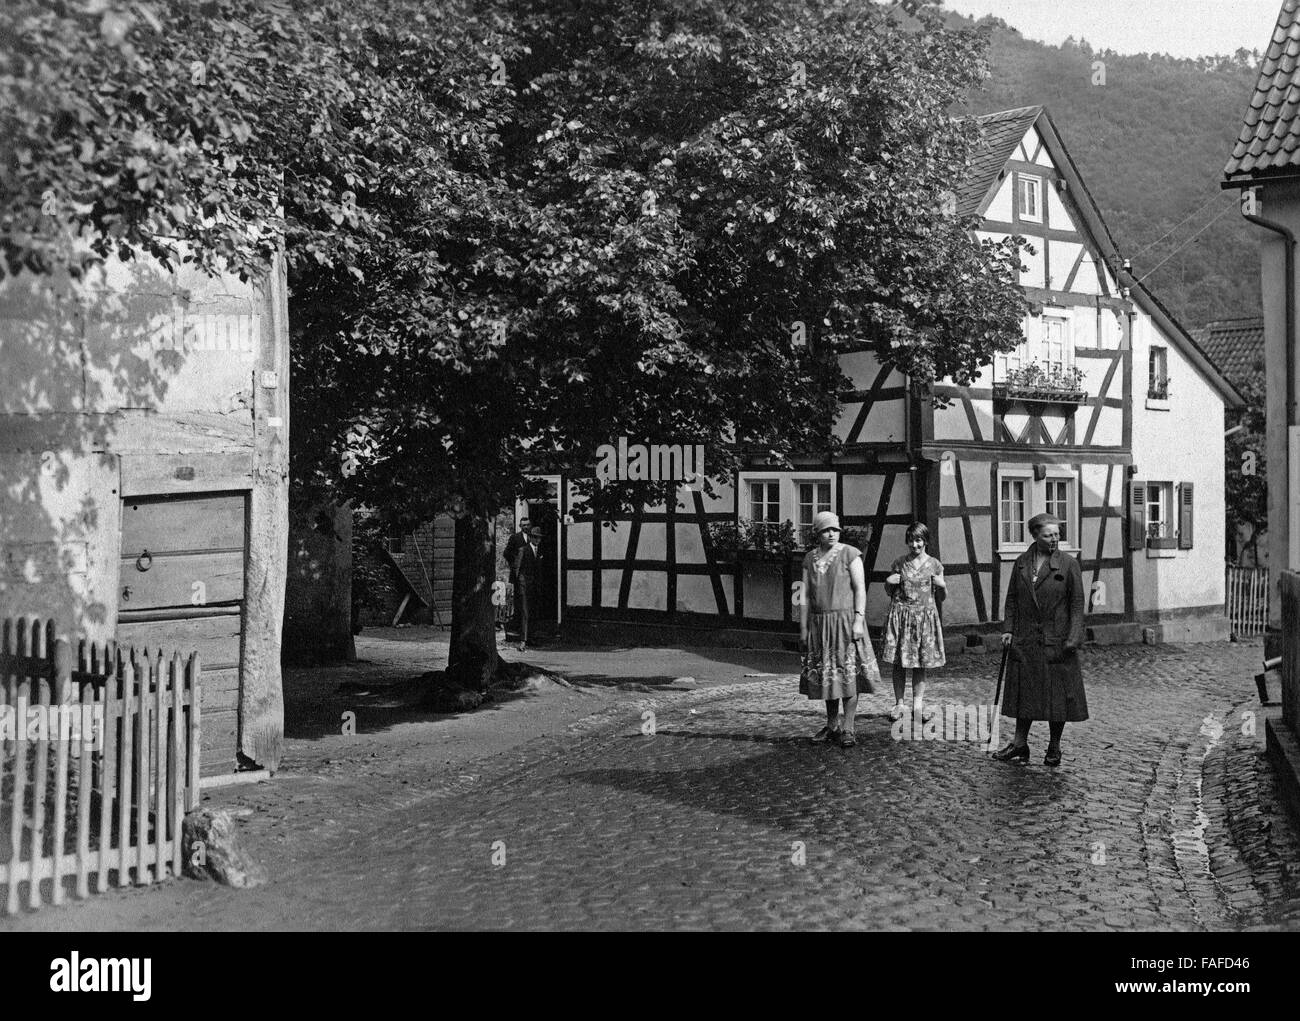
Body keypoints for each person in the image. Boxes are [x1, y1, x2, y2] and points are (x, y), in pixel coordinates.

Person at [994, 512, 1089, 766]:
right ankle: (1019, 744)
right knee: (1024, 693)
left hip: (1057, 640)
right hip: (1026, 639)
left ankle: (1054, 747)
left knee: (1057, 697)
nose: (1055, 539)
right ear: (1035, 535)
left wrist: (1073, 638)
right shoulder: (1022, 562)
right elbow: (1012, 598)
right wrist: (1008, 629)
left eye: (1058, 534)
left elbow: (1077, 605)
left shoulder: (1069, 564)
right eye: (1049, 535)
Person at [799, 511, 872, 748]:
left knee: (848, 674)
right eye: (825, 530)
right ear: (817, 533)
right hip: (820, 624)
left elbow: (860, 588)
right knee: (827, 675)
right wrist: (803, 627)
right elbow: (804, 596)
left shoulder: (850, 554)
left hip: (845, 622)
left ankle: (848, 727)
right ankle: (832, 725)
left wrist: (859, 620)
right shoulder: (809, 559)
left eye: (835, 530)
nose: (831, 534)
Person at [880, 522, 946, 725]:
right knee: (899, 663)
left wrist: (942, 585)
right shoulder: (899, 563)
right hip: (902, 617)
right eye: (911, 540)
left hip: (924, 619)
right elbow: (891, 593)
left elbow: (941, 597)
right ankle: (899, 704)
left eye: (918, 540)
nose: (914, 545)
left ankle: (917, 705)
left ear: (925, 541)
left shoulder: (935, 565)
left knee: (920, 664)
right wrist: (887, 583)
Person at [512, 525, 542, 652]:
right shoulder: (523, 550)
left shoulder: (540, 551)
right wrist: (517, 584)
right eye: (534, 537)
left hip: (535, 586)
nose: (536, 540)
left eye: (538, 538)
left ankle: (531, 637)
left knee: (534, 611)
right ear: (530, 538)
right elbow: (516, 568)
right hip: (524, 586)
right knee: (525, 612)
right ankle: (523, 641)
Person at [503, 516, 530, 634]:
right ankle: (518, 628)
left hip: (530, 575)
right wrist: (515, 563)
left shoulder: (533, 538)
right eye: (524, 525)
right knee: (519, 601)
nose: (526, 527)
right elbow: (506, 553)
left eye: (528, 524)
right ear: (520, 526)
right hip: (519, 574)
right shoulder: (515, 538)